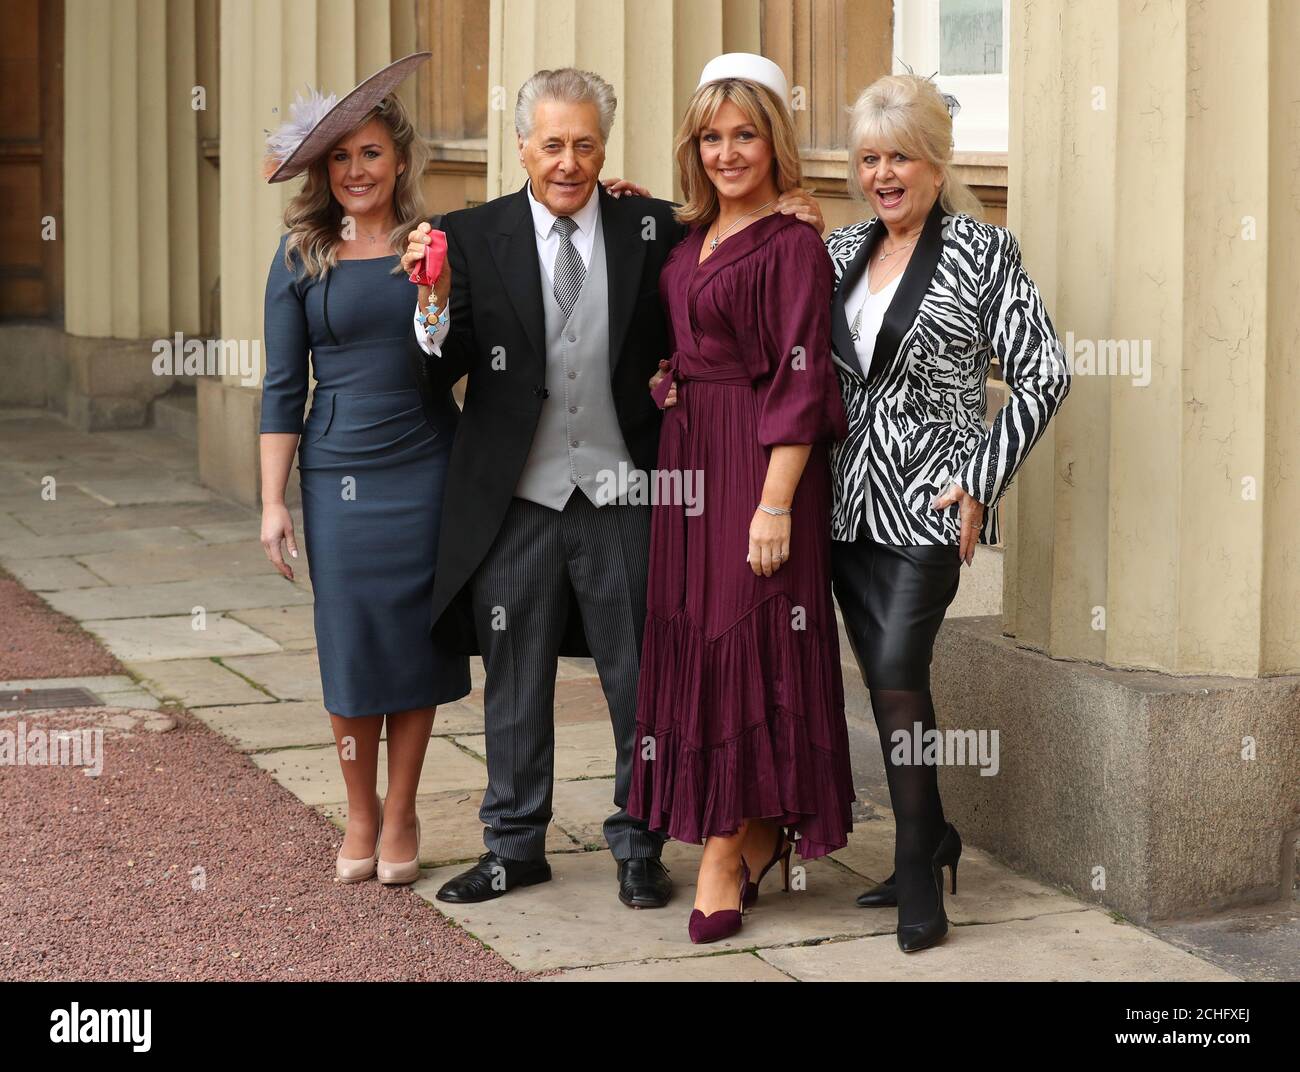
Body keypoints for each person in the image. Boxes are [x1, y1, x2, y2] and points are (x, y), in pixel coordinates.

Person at [405, 67, 824, 909]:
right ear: (521, 145)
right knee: (515, 677)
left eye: (585, 144)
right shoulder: (468, 234)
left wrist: (797, 210)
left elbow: (731, 280)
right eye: (552, 143)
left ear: (606, 147)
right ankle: (514, 843)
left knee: (642, 679)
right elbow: (436, 366)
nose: (568, 161)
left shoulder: (654, 228)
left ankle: (641, 840)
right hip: (516, 499)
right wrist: (434, 303)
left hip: (628, 494)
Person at [823, 74, 1070, 950]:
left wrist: (982, 476)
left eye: (902, 157)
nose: (884, 174)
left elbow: (1045, 372)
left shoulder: (982, 251)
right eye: (869, 158)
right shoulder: (838, 247)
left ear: (936, 162)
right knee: (893, 683)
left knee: (895, 670)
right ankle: (930, 837)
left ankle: (920, 866)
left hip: (934, 499)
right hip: (845, 504)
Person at [631, 54, 855, 945]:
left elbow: (803, 381)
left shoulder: (795, 242)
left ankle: (725, 850)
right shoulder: (692, 238)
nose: (728, 152)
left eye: (746, 134)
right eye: (712, 136)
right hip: (691, 463)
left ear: (774, 139)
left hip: (762, 470)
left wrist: (773, 506)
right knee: (702, 637)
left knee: (743, 636)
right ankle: (757, 827)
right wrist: (672, 378)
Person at [259, 54, 470, 887]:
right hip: (337, 472)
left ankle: (407, 808)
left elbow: (449, 356)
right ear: (322, 170)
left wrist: (435, 289)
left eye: (371, 153)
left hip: (425, 464)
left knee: (415, 643)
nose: (356, 171)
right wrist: (272, 503)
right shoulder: (299, 257)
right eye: (340, 157)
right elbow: (281, 387)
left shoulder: (435, 243)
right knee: (351, 646)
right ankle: (359, 809)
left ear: (400, 160)